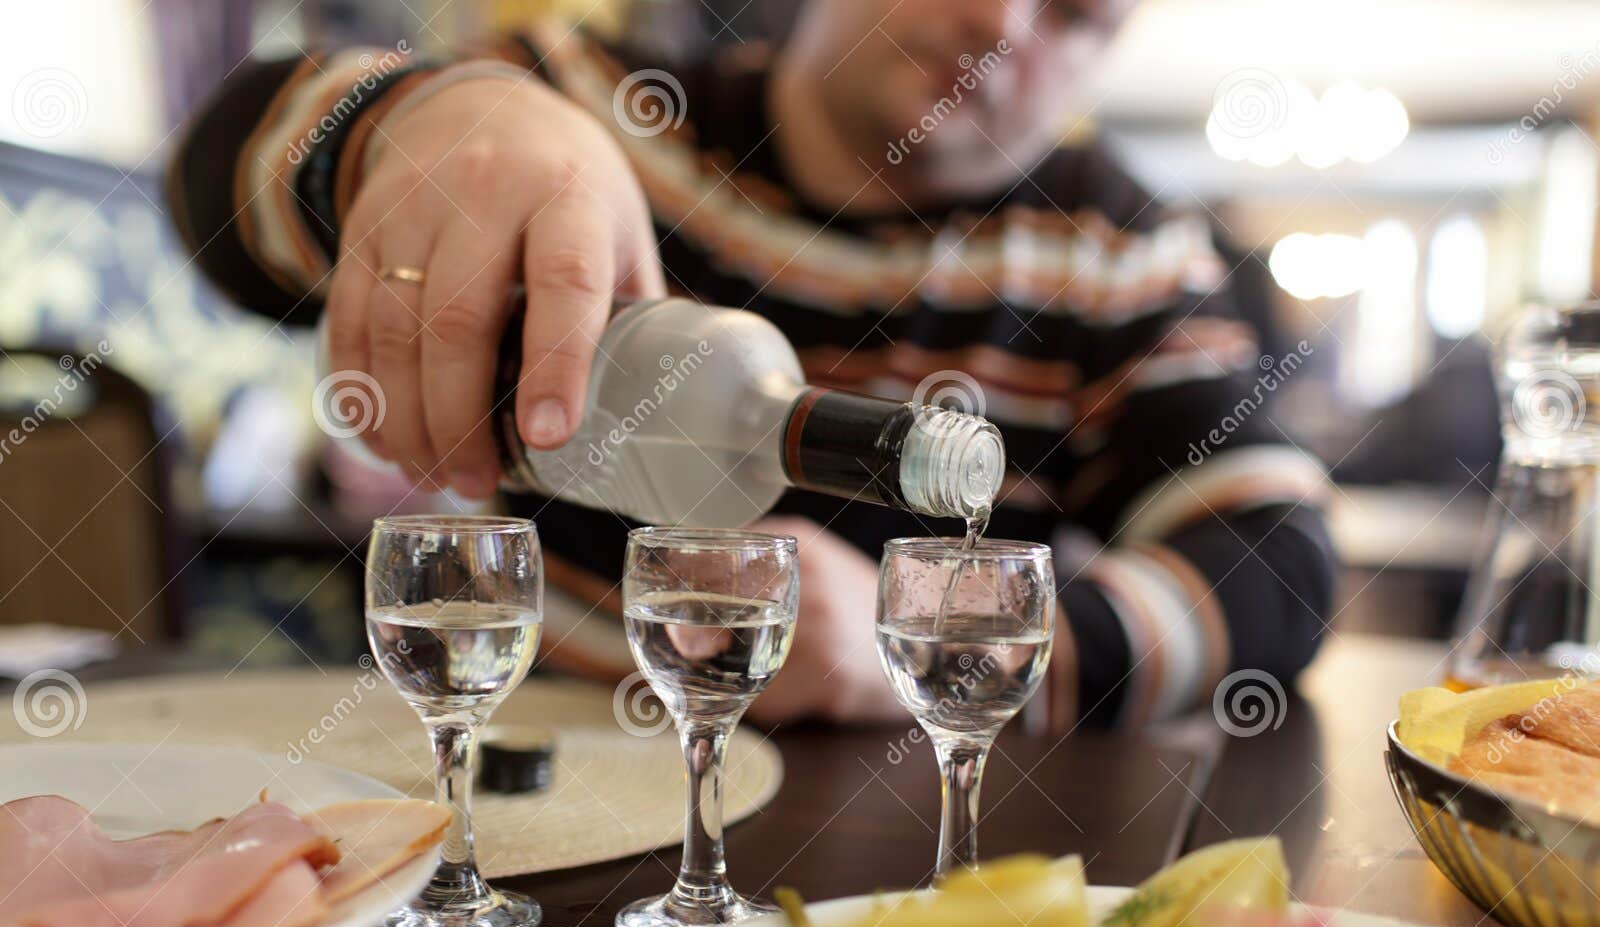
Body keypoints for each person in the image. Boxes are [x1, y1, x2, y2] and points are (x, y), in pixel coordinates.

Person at [167, 0, 1334, 730]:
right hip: (531, 780)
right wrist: (416, 122)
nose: (1000, 20)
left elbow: (1275, 566)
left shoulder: (1115, 255)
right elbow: (220, 177)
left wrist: (925, 646)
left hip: (866, 884)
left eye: (1077, 11)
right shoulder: (598, 105)